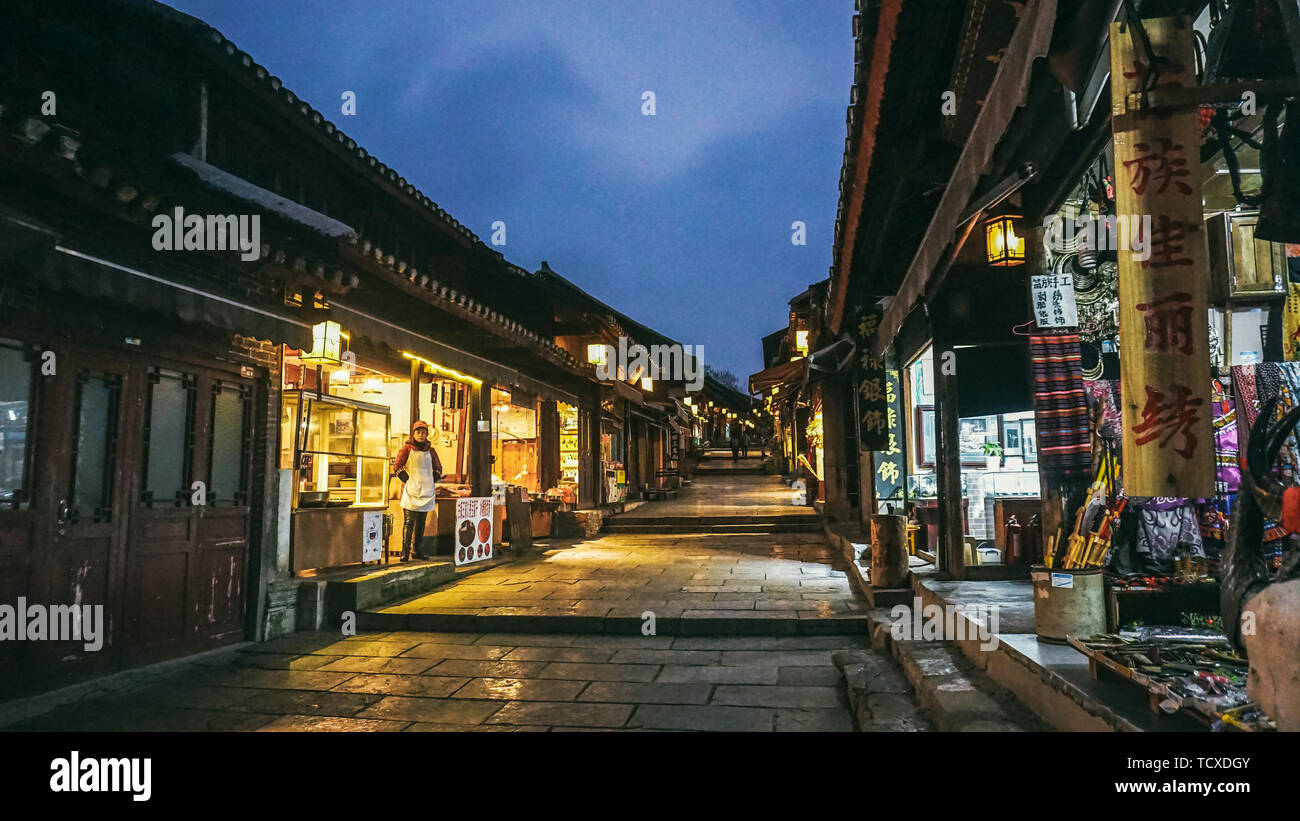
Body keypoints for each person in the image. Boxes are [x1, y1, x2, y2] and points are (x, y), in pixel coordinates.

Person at [392, 420, 442, 561]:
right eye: (418, 432)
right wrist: (405, 478)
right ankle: (405, 552)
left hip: (426, 492)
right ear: (413, 434)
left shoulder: (431, 451)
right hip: (410, 491)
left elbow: (438, 467)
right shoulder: (406, 449)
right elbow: (397, 466)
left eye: (423, 433)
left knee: (421, 523)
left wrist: (435, 476)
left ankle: (417, 550)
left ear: (427, 435)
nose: (421, 435)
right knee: (409, 522)